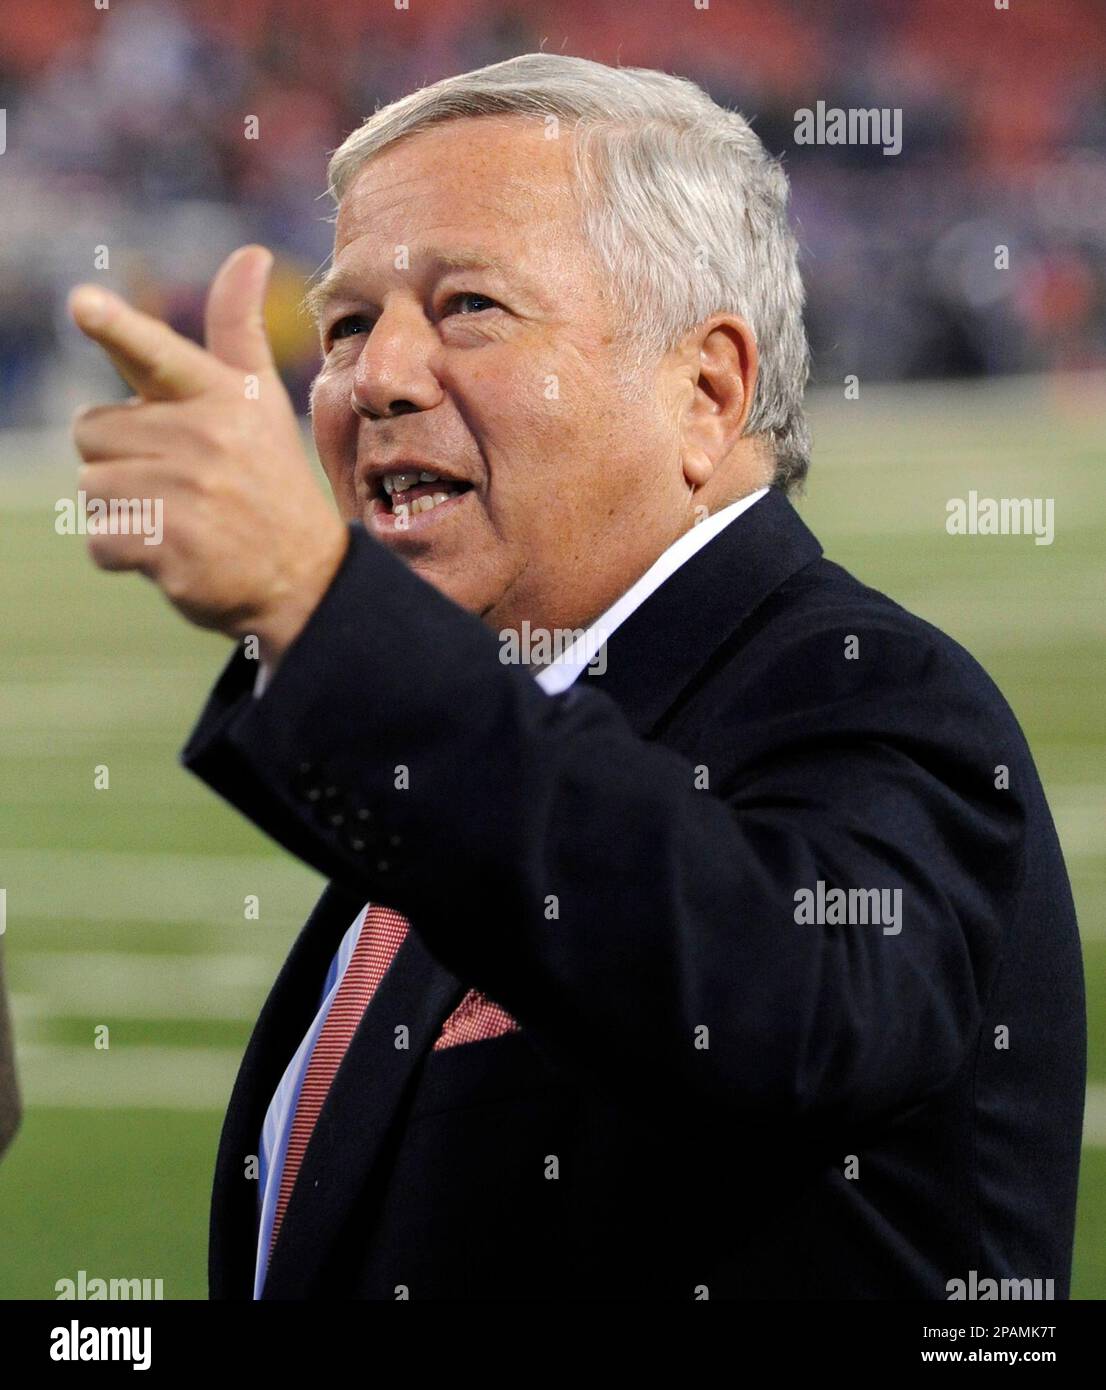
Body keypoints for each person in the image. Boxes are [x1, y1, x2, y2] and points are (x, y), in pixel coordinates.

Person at [67, 54, 1085, 1300]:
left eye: (468, 308)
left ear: (705, 390)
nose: (374, 378)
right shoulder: (501, 744)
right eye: (344, 325)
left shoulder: (869, 693)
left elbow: (778, 1005)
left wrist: (317, 611)